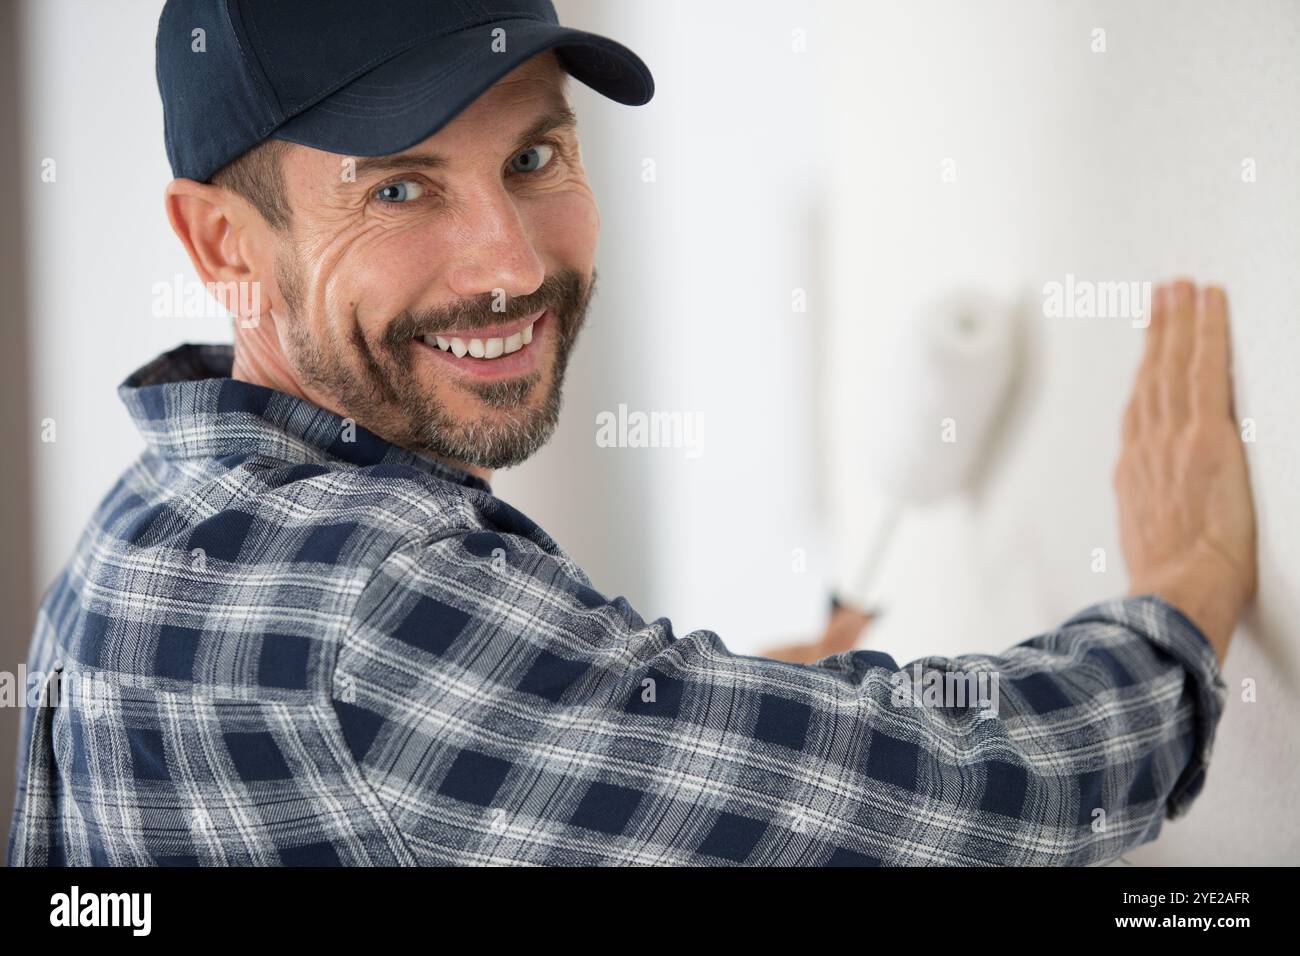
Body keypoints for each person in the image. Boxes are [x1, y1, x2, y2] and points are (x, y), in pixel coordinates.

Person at [7, 0, 1254, 866]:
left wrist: (675, 742)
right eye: (399, 188)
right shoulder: (382, 605)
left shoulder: (154, 512)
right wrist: (1180, 616)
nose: (507, 264)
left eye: (536, 152)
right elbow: (952, 808)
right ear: (224, 241)